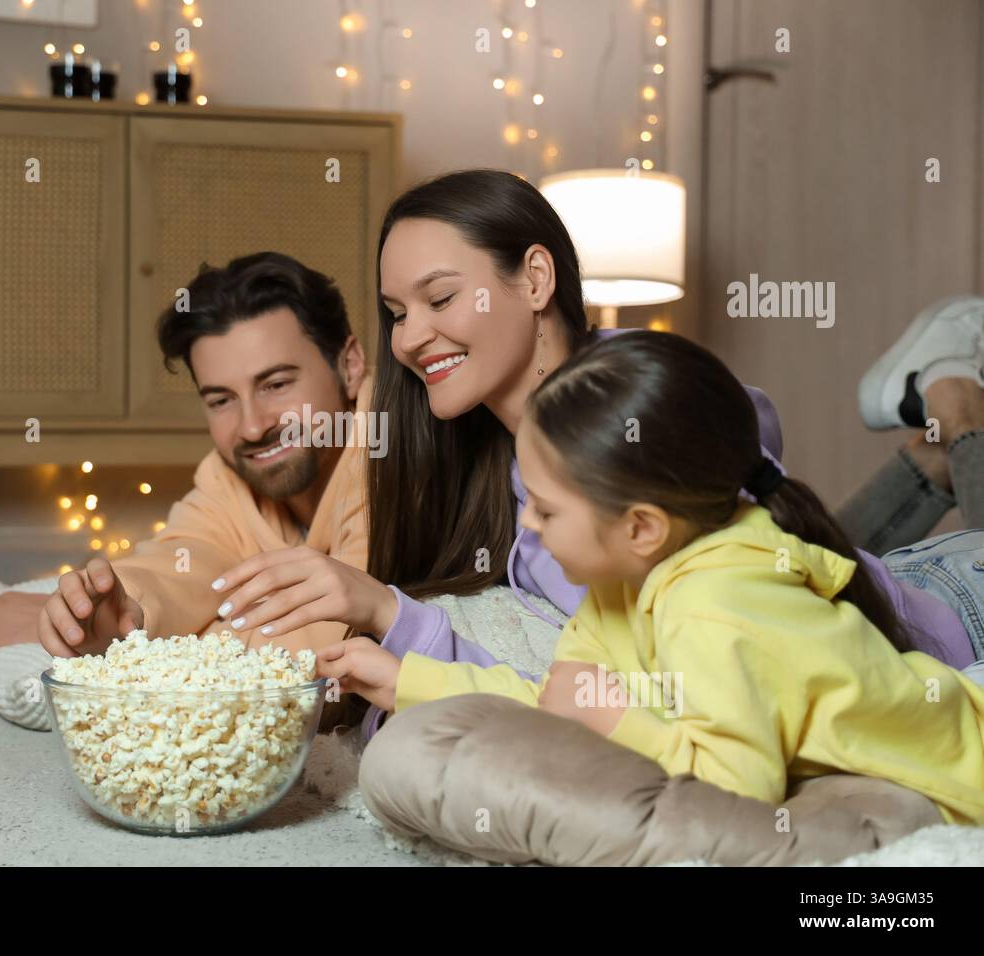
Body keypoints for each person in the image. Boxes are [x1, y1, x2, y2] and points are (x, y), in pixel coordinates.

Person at [208, 169, 984, 740]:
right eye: (397, 313)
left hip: (945, 618)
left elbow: (745, 439)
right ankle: (942, 447)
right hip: (881, 580)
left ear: (536, 277)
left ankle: (958, 406)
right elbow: (574, 682)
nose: (409, 338)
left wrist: (390, 618)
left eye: (440, 300)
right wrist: (385, 623)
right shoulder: (490, 457)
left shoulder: (627, 401)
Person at [315, 331, 984, 826]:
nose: (527, 533)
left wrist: (615, 715)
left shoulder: (715, 611)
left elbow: (738, 785)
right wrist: (409, 682)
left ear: (641, 527)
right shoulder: (618, 586)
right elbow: (554, 697)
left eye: (545, 510)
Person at [0, 251, 370, 661]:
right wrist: (121, 613)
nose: (251, 427)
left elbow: (326, 646)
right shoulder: (226, 479)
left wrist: (164, 651)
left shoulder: (398, 457)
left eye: (276, 384)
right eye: (221, 400)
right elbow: (183, 561)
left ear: (350, 366)